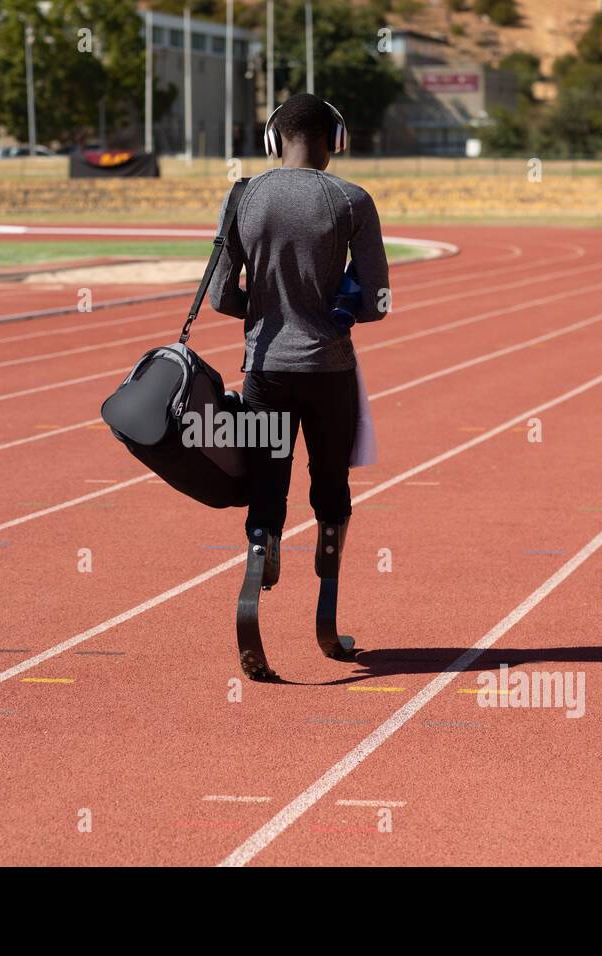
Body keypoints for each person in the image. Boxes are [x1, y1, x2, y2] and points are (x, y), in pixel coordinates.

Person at [209, 93, 390, 680]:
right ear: (334, 140)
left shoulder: (243, 195)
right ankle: (328, 592)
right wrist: (332, 310)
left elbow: (218, 295)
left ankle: (262, 546)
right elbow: (376, 302)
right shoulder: (352, 200)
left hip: (264, 369)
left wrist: (263, 309)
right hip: (330, 373)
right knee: (329, 481)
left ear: (272, 138)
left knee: (269, 484)